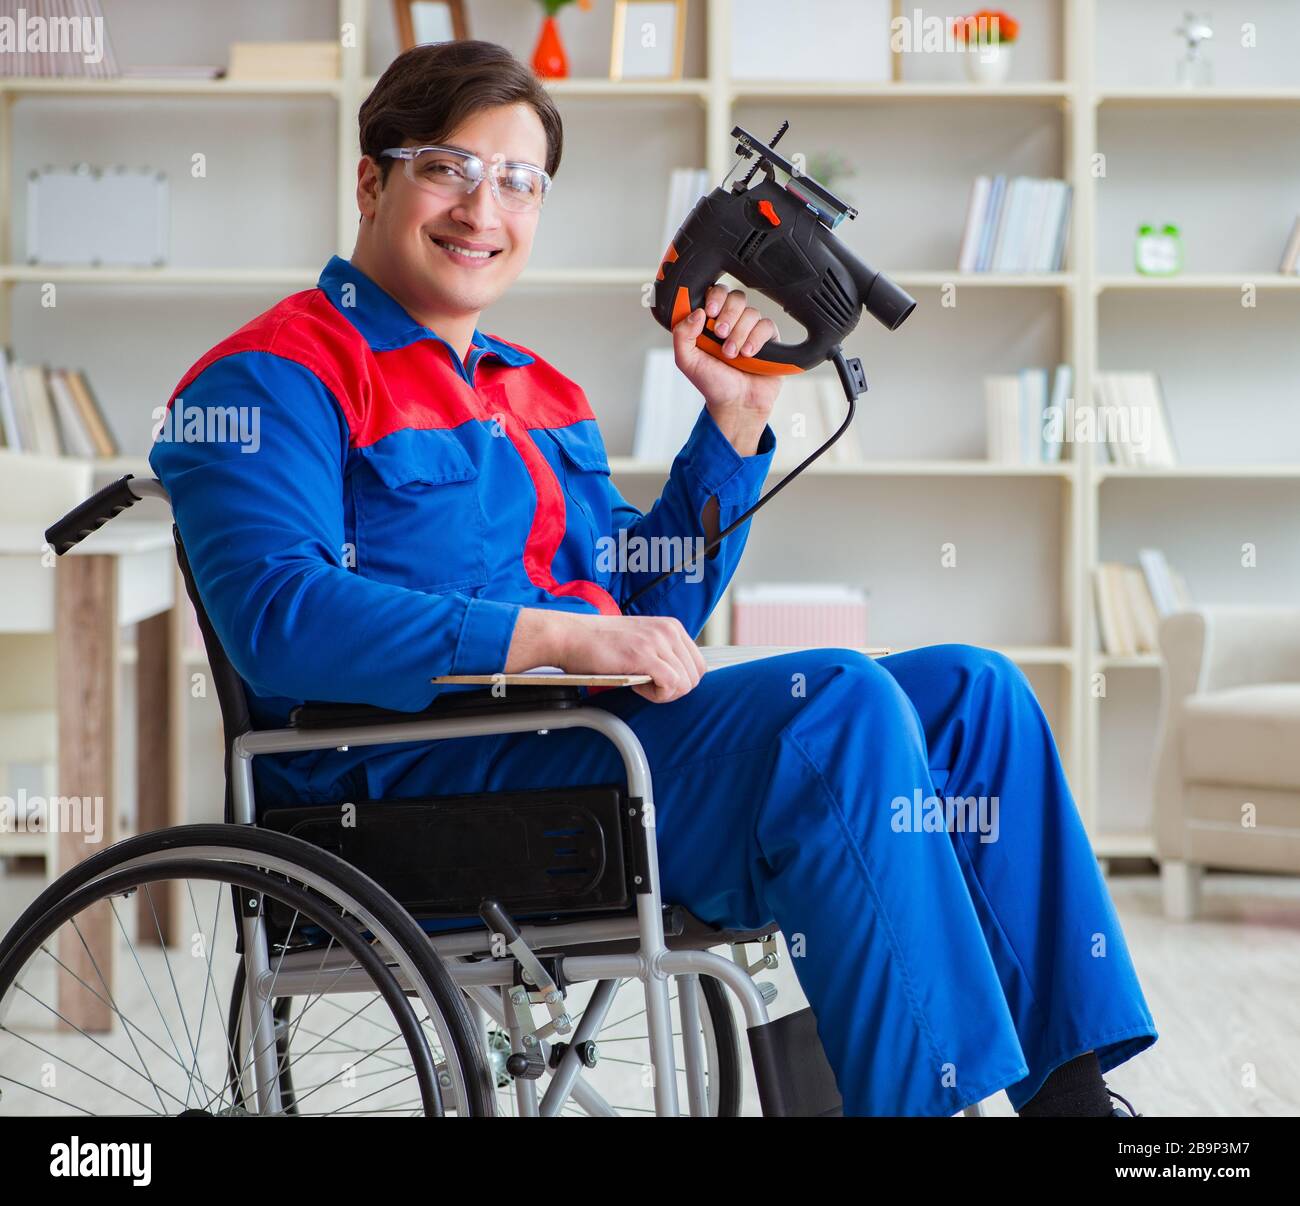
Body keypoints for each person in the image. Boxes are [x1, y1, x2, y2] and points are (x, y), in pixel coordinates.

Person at [148, 39, 1157, 1117]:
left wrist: (731, 424)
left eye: (519, 181)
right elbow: (279, 618)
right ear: (372, 179)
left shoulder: (540, 392)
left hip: (592, 754)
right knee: (839, 712)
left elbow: (646, 612)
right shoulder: (269, 378)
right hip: (408, 794)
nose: (483, 208)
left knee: (975, 695)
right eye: (448, 166)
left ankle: (1074, 1111)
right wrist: (555, 638)